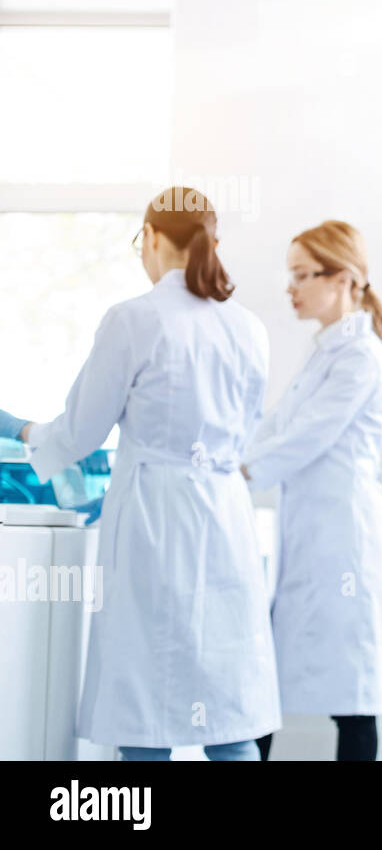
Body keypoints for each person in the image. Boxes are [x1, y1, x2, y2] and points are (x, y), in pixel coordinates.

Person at [0, 186, 279, 760]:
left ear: (151, 238)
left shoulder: (134, 319)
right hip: (225, 519)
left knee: (143, 708)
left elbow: (79, 434)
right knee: (227, 716)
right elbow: (247, 429)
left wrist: (18, 429)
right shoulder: (248, 327)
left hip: (155, 522)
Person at [242, 221, 382, 762]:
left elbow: (308, 438)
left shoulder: (360, 357)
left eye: (303, 275)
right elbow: (275, 427)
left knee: (352, 694)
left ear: (344, 279)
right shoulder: (325, 351)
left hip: (344, 540)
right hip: (309, 536)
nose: (291, 288)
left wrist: (237, 476)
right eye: (291, 275)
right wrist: (223, 457)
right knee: (266, 681)